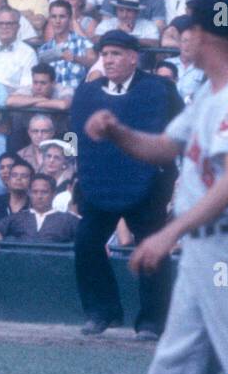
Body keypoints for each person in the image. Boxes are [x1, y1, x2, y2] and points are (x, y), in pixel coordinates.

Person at [85, 0, 228, 374]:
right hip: (207, 250)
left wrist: (167, 233)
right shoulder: (211, 91)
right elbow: (164, 147)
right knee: (173, 369)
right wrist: (117, 131)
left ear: (210, 35)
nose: (183, 37)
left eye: (191, 29)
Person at [72, 30, 185, 339]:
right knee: (85, 242)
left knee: (151, 248)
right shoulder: (87, 93)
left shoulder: (159, 90)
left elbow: (179, 132)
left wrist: (173, 176)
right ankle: (101, 311)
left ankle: (152, 321)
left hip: (147, 183)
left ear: (134, 57)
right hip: (100, 184)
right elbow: (80, 140)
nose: (109, 60)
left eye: (116, 54)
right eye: (105, 54)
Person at [0, 173, 80, 242]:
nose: (39, 196)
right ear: (29, 193)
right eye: (35, 192)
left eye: (44, 192)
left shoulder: (68, 219)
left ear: (53, 194)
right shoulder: (18, 217)